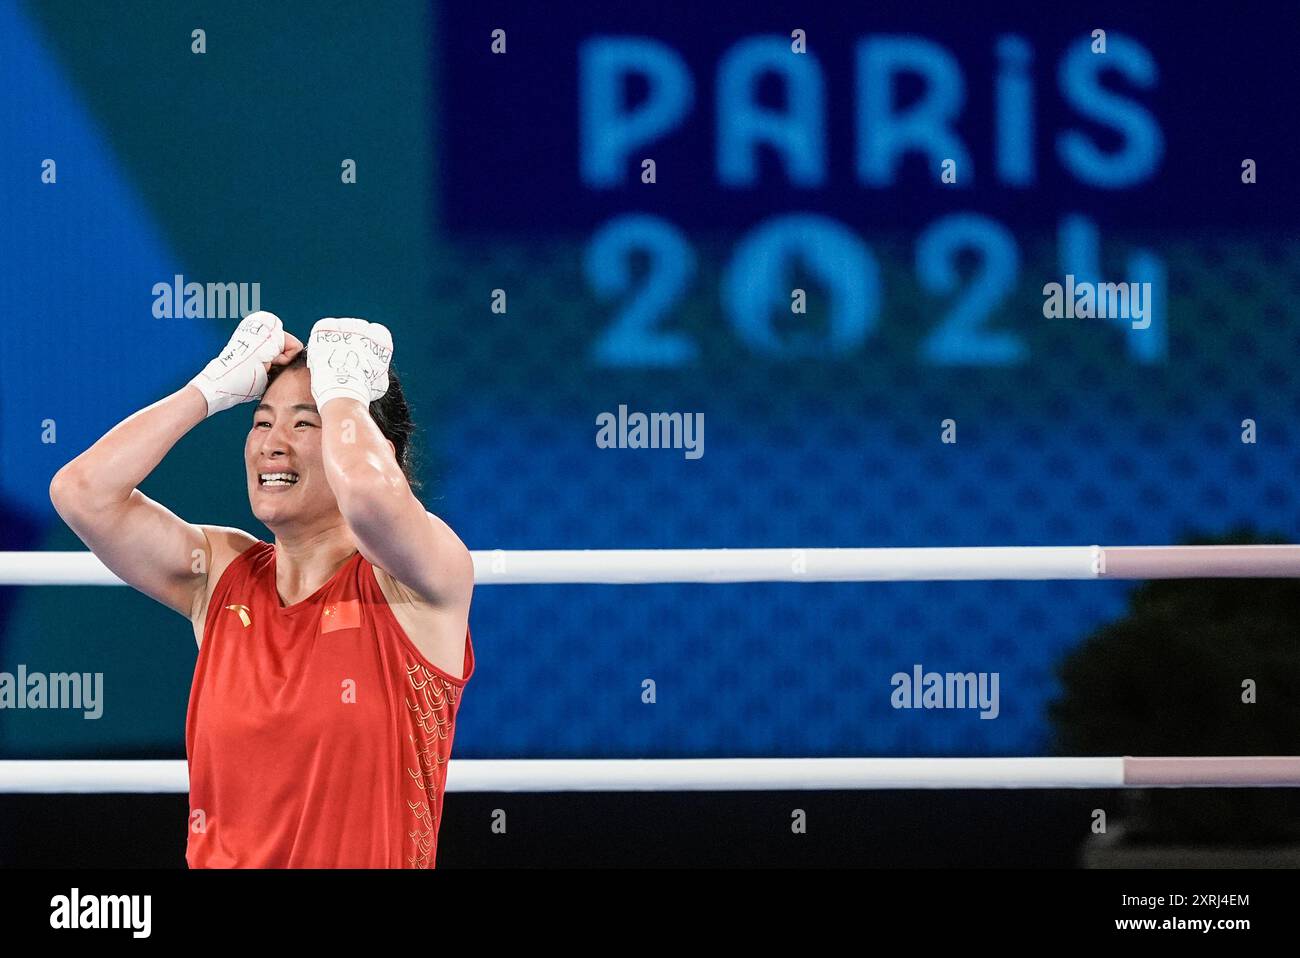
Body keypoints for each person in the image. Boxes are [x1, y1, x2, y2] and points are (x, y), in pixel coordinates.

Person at [49, 312, 475, 868]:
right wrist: (205, 391)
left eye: (305, 424)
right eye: (260, 422)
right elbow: (81, 493)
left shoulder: (419, 581)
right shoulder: (221, 575)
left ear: (378, 449)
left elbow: (370, 497)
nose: (272, 445)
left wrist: (345, 392)